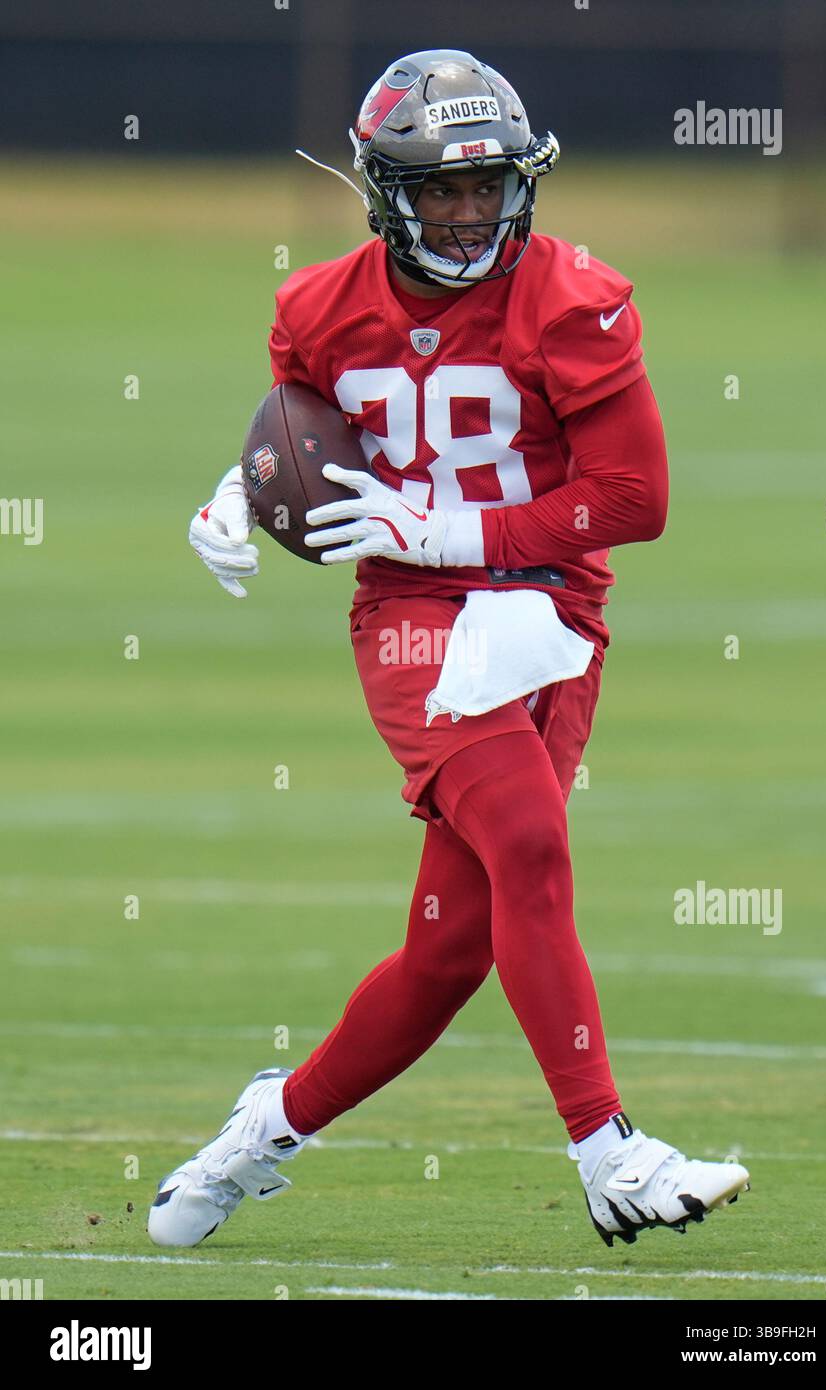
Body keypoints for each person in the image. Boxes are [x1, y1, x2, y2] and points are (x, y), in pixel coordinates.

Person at [153, 49, 749, 1250]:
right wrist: (233, 492)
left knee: (449, 953)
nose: (469, 215)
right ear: (384, 192)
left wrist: (455, 522)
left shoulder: (574, 295)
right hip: (415, 619)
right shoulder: (318, 306)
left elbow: (635, 498)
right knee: (526, 835)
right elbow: (307, 438)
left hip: (551, 615)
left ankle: (263, 1131)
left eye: (487, 189)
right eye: (441, 192)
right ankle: (606, 1151)